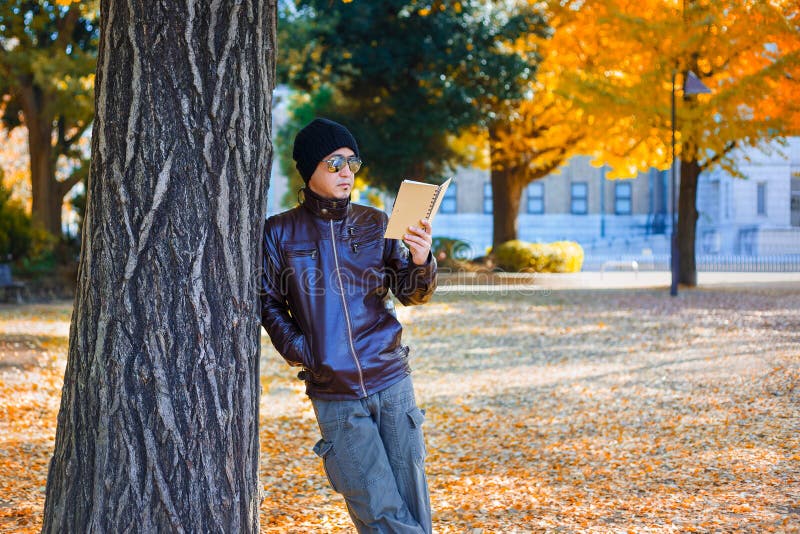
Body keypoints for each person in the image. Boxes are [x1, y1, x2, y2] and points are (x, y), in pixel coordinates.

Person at [260, 117, 437, 533]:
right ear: (309, 171)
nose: (346, 173)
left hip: (392, 382)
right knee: (378, 509)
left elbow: (412, 292)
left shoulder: (376, 223)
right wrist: (309, 353)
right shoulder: (280, 232)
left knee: (412, 504)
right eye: (333, 163)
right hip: (335, 393)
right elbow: (267, 302)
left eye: (351, 162)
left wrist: (420, 258)